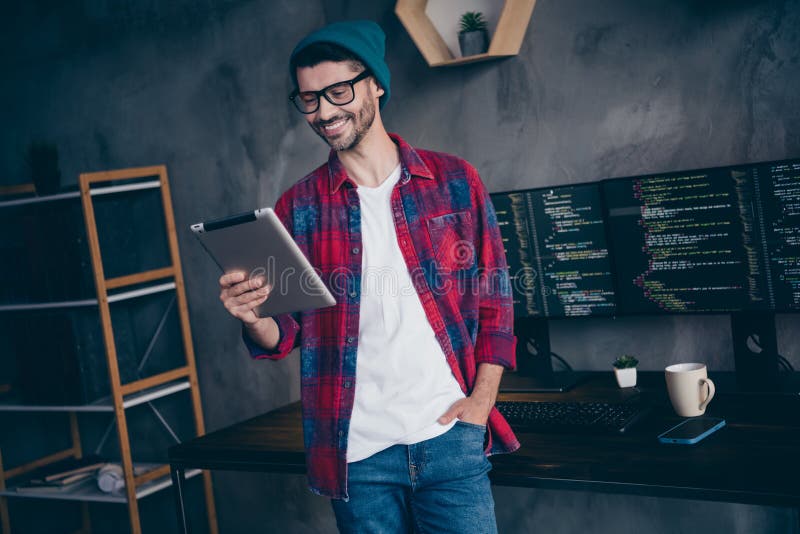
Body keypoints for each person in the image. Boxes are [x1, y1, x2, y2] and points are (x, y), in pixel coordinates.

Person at [218, 20, 519, 533]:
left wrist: (481, 403)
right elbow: (285, 333)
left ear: (376, 83)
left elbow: (494, 301)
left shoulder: (454, 182)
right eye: (309, 99)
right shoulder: (299, 207)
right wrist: (253, 317)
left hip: (450, 439)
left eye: (338, 91)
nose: (325, 112)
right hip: (357, 458)